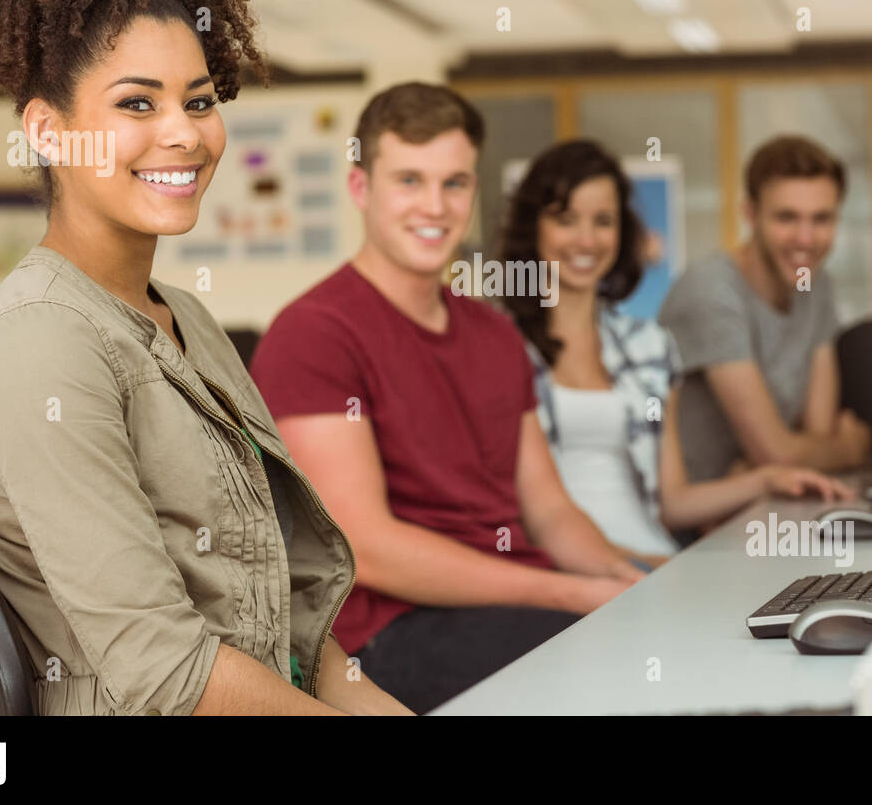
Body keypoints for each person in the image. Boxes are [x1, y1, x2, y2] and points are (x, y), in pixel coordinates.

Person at [0, 0, 408, 715]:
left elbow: (301, 627)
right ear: (47, 130)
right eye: (136, 104)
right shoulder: (41, 342)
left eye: (199, 101)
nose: (184, 133)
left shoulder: (186, 320)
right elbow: (168, 675)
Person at [250, 83, 647, 714]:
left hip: (512, 607)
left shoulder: (492, 333)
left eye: (454, 183)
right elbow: (366, 547)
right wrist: (569, 595)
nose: (434, 206)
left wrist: (623, 578)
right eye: (409, 180)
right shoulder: (313, 333)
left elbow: (547, 509)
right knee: (623, 670)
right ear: (361, 189)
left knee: (658, 632)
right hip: (390, 635)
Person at [499, 140, 852, 559]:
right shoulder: (500, 346)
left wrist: (767, 479)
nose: (586, 239)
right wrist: (642, 567)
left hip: (657, 556)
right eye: (566, 219)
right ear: (533, 227)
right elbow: (527, 517)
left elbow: (672, 502)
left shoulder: (647, 347)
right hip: (585, 568)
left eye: (603, 221)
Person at [659, 136, 872, 484]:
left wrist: (798, 455)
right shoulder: (711, 290)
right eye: (786, 218)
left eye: (822, 219)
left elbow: (815, 430)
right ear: (751, 214)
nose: (806, 239)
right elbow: (775, 454)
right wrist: (849, 448)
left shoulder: (815, 285)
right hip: (699, 525)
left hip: (770, 501)